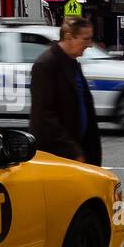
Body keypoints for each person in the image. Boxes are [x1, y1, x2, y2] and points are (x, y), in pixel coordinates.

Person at [29, 17, 101, 164]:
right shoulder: (46, 65)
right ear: (69, 37)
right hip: (58, 155)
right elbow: (45, 116)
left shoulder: (72, 63)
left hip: (77, 150)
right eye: (85, 39)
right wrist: (73, 152)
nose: (90, 45)